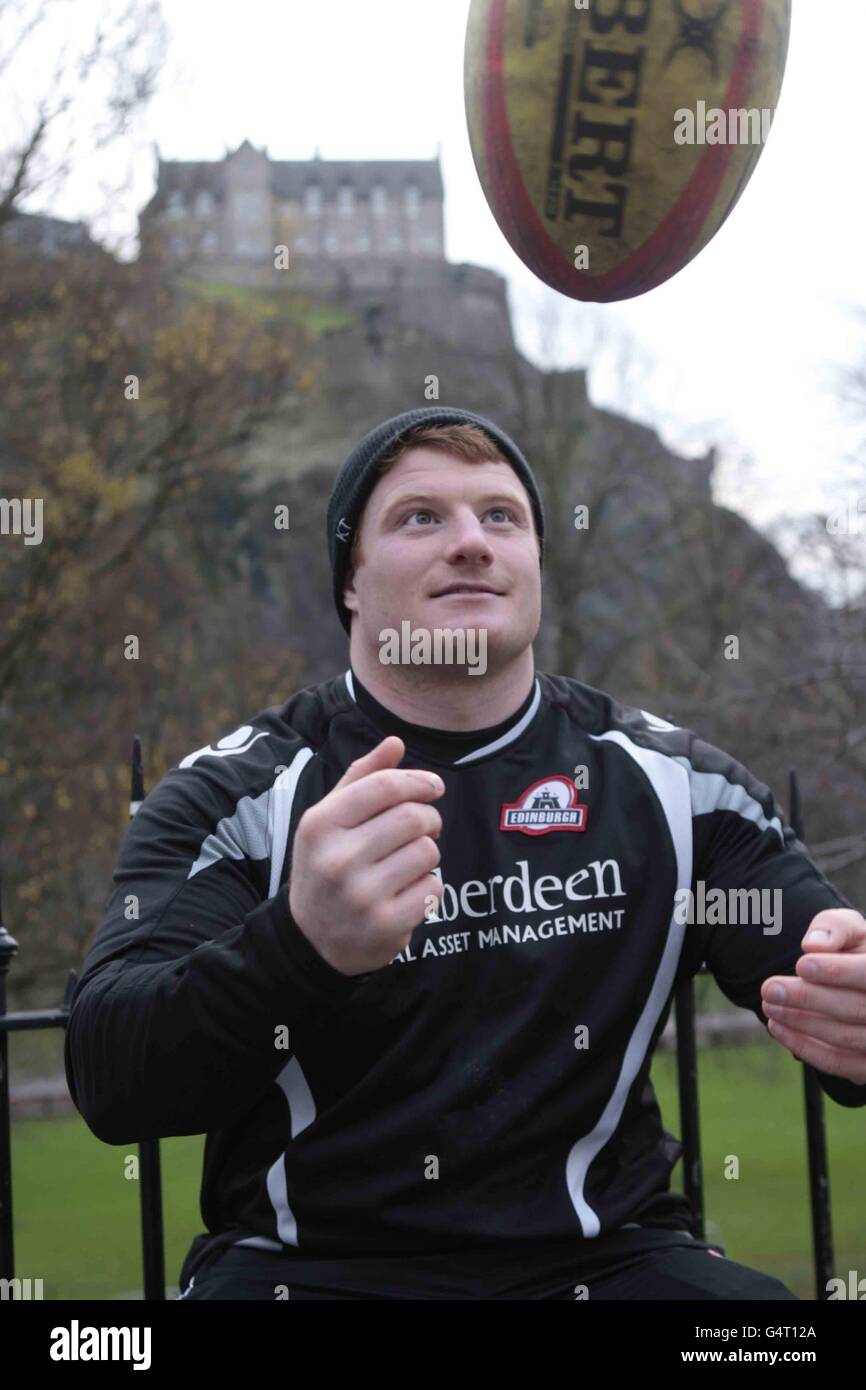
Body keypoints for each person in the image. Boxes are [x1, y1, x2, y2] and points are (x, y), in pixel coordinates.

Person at [65, 405, 866, 1301]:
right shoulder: (239, 796)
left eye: (501, 516)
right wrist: (299, 945)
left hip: (609, 1261)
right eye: (420, 517)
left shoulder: (675, 785)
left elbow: (822, 970)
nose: (472, 543)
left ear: (533, 566)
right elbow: (113, 1074)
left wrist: (850, 1009)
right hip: (311, 1272)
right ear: (351, 585)